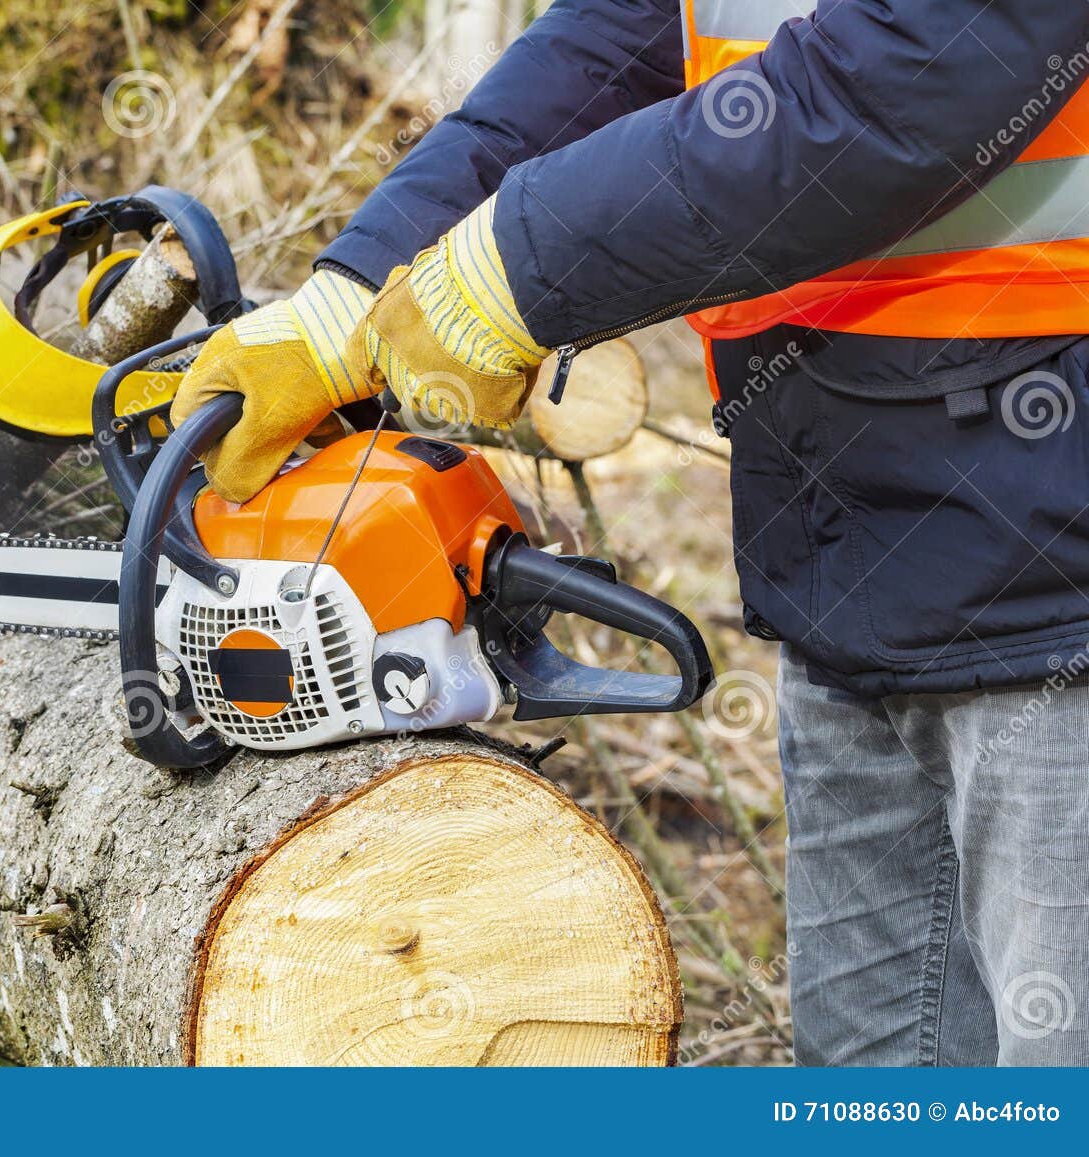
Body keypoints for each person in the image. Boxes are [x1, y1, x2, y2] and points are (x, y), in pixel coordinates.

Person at [171, 0, 1089, 1066]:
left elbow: (910, 70)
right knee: (873, 1077)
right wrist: (362, 285)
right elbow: (623, 39)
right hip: (851, 530)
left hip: (1054, 551)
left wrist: (515, 265)